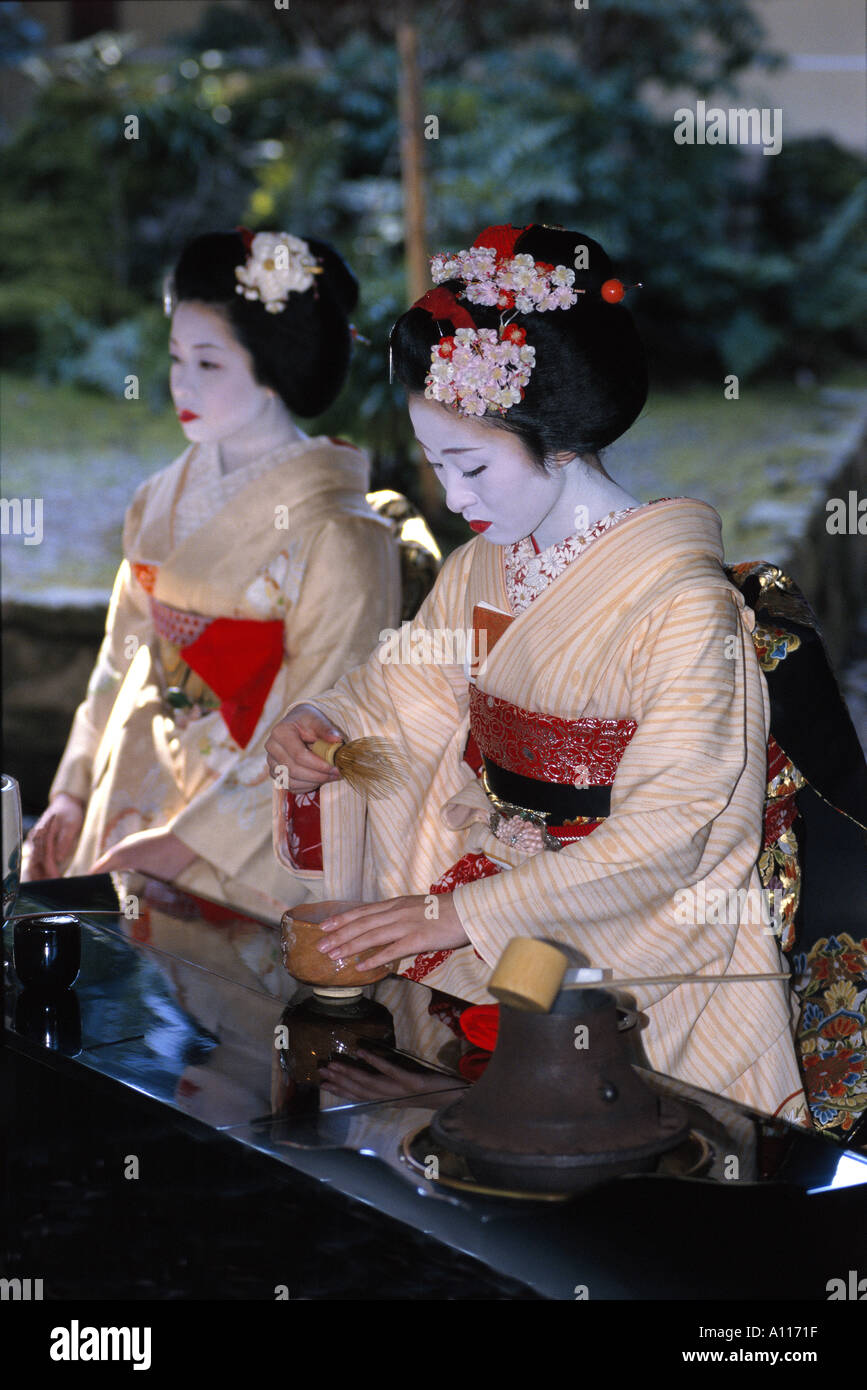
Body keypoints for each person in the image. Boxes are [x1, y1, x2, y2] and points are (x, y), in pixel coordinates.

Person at [265, 221, 810, 1122]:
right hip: (489, 896)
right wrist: (328, 723)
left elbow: (671, 830)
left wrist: (460, 917)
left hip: (643, 942)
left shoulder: (681, 603)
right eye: (435, 463)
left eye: (472, 464)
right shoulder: (483, 566)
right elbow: (408, 690)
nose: (453, 496)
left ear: (557, 440)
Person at [24, 227, 401, 922]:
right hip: (136, 777)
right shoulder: (159, 499)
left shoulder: (342, 535)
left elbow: (326, 721)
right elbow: (122, 657)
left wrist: (181, 844)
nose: (181, 384)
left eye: (208, 363)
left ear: (274, 367)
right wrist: (72, 789)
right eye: (174, 359)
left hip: (249, 828)